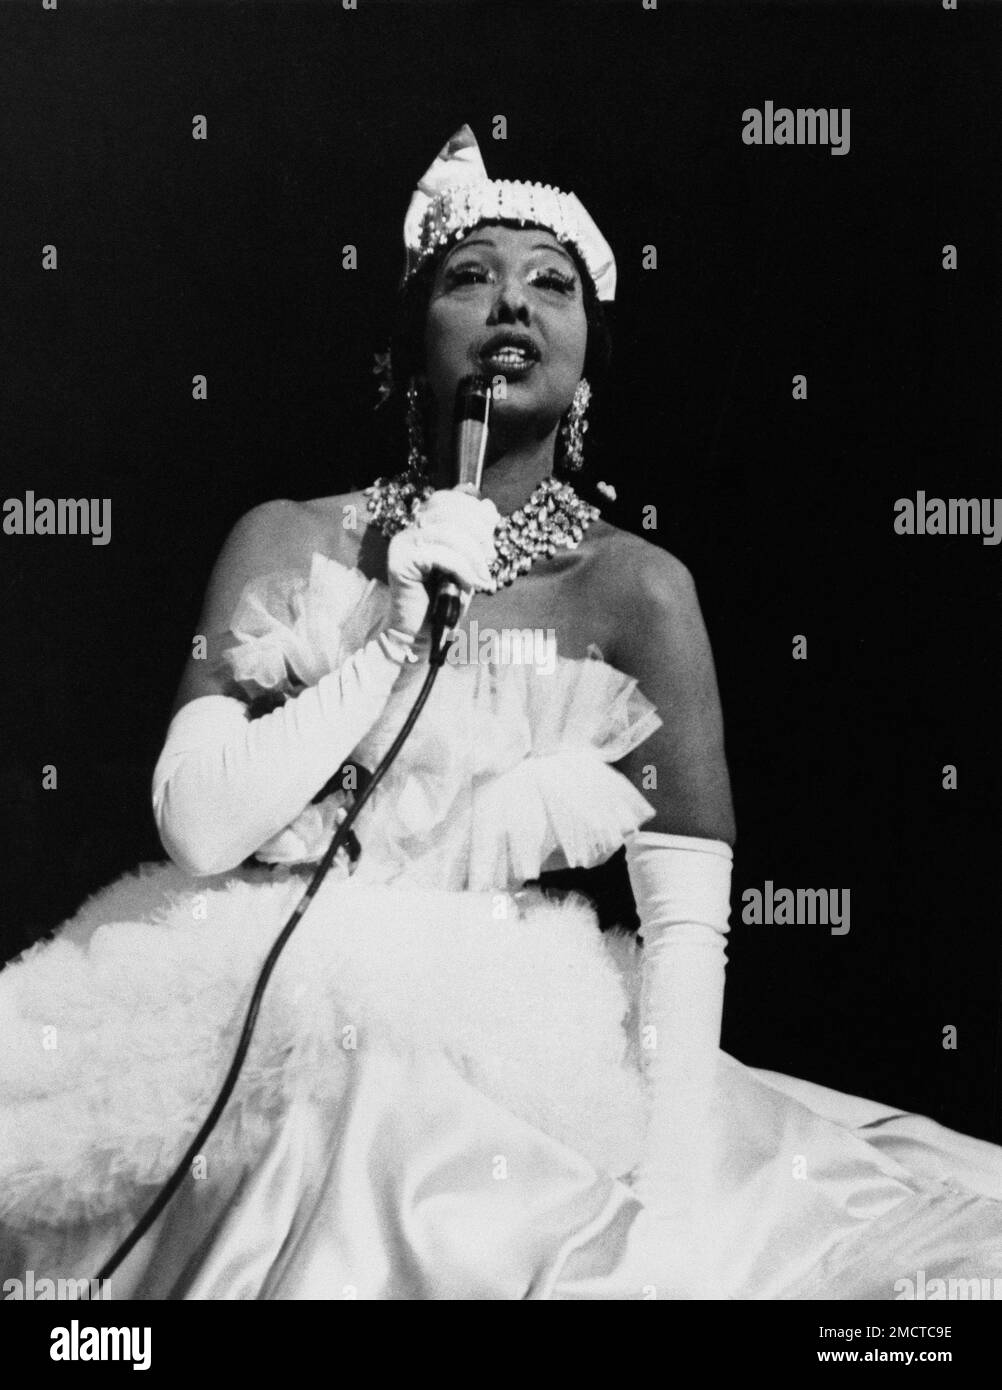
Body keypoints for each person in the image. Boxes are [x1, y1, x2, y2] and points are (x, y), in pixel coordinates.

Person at [1, 125, 1000, 1302]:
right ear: (411, 344)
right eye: (470, 276)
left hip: (488, 1028)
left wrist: (668, 1202)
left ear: (588, 357)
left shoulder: (637, 589)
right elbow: (201, 828)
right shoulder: (285, 535)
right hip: (239, 990)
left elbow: (684, 926)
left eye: (551, 283)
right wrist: (390, 638)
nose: (512, 302)